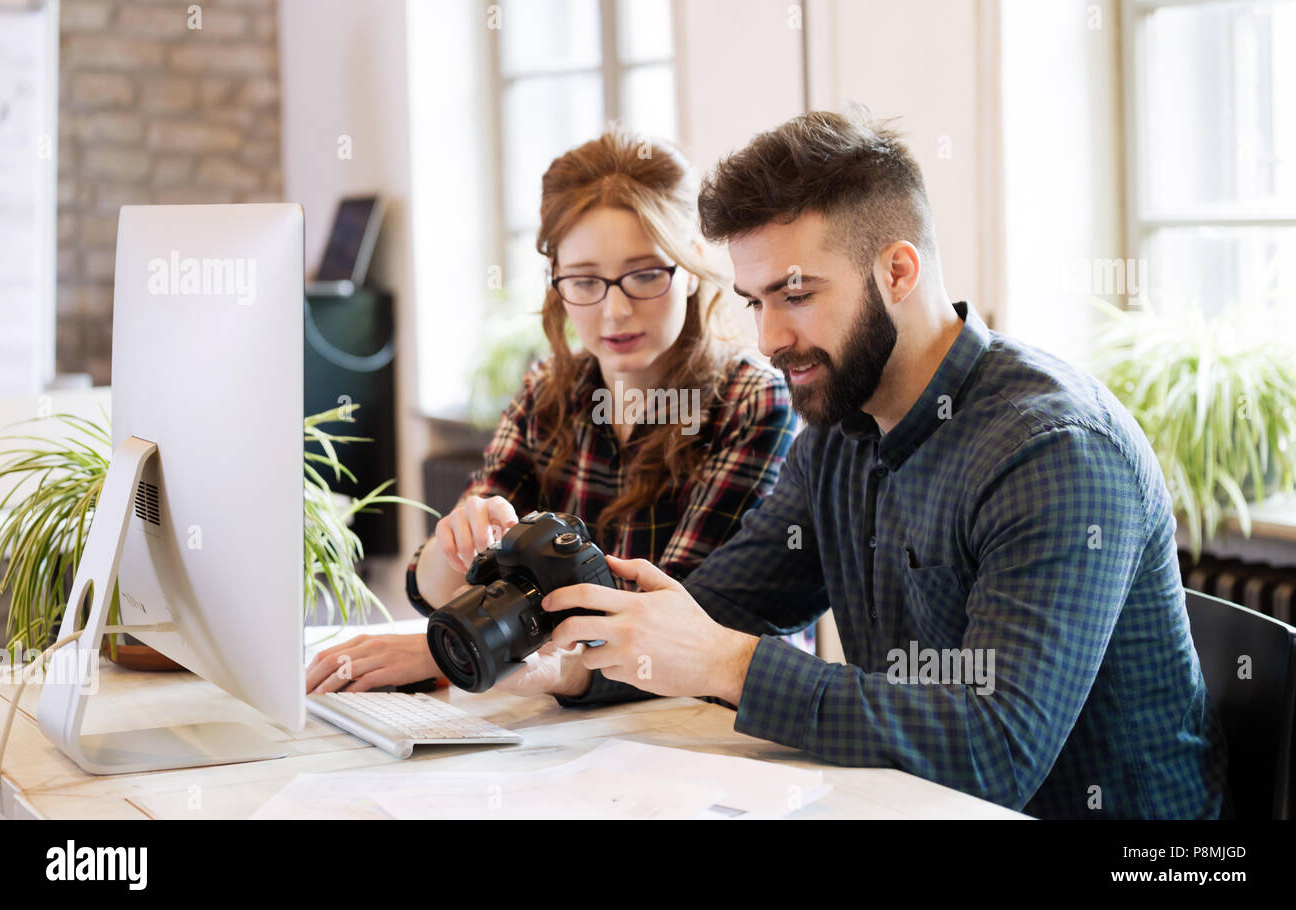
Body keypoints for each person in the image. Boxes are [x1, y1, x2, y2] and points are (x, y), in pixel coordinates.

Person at [521, 108, 1228, 820]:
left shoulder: (1054, 451)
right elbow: (712, 613)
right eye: (755, 301)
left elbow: (997, 752)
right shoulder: (840, 426)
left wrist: (729, 665)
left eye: (796, 295)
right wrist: (579, 667)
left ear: (897, 270)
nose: (769, 338)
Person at [306, 127, 801, 697]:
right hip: (576, 726)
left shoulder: (751, 403)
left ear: (689, 267)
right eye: (585, 281)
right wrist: (455, 545)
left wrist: (439, 652)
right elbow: (434, 584)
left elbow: (673, 629)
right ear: (557, 285)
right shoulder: (549, 391)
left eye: (644, 274)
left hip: (709, 729)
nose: (615, 310)